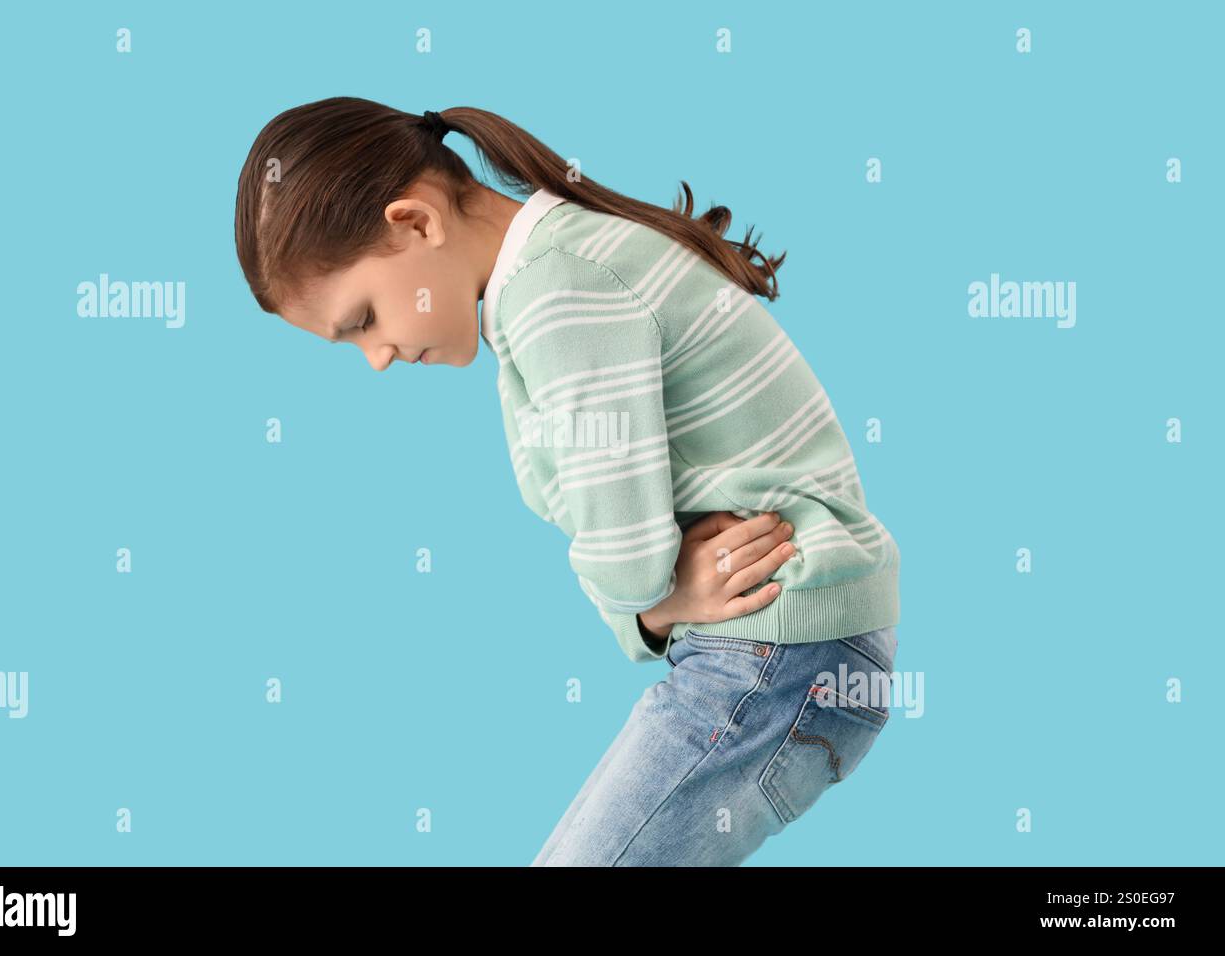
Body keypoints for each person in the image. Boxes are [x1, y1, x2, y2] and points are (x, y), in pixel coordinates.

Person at [234, 98, 901, 865]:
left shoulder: (556, 291)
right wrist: (654, 610)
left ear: (415, 223)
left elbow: (626, 551)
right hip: (777, 651)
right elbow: (638, 565)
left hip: (778, 648)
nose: (376, 357)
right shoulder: (555, 269)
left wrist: (646, 598)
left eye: (362, 320)